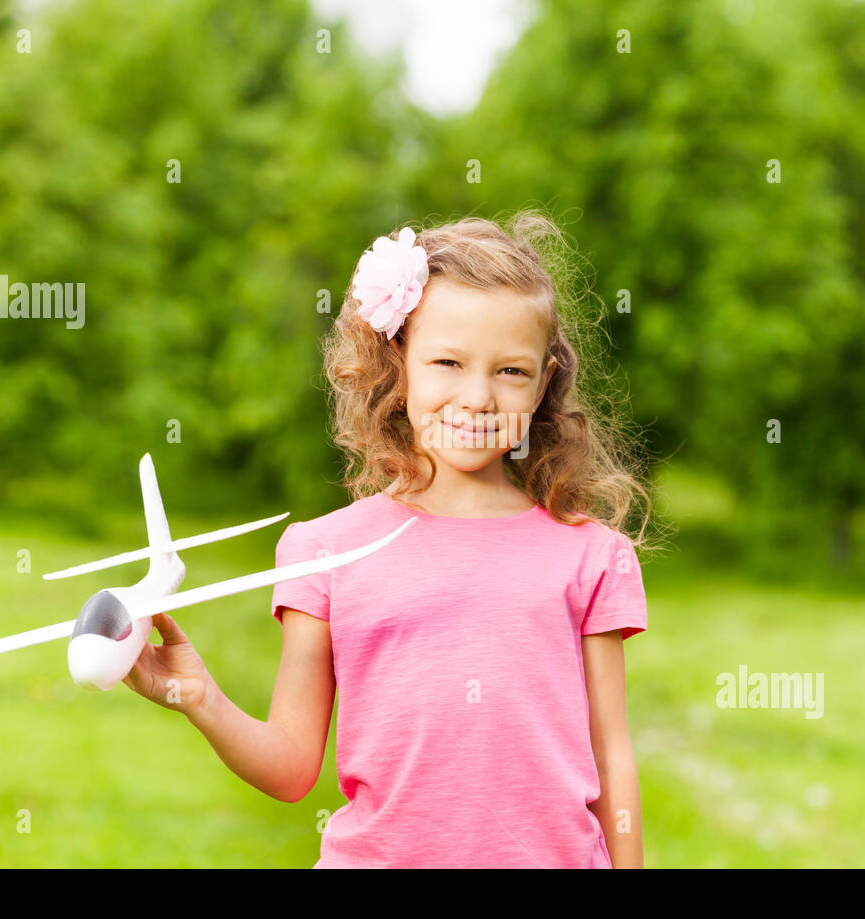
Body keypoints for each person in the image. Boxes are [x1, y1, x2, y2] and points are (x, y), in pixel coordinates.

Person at [124, 211, 661, 867]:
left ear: (544, 382)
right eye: (448, 362)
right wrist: (200, 698)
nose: (477, 396)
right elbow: (292, 769)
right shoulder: (326, 552)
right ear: (398, 362)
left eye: (511, 372)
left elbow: (611, 753)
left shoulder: (590, 556)